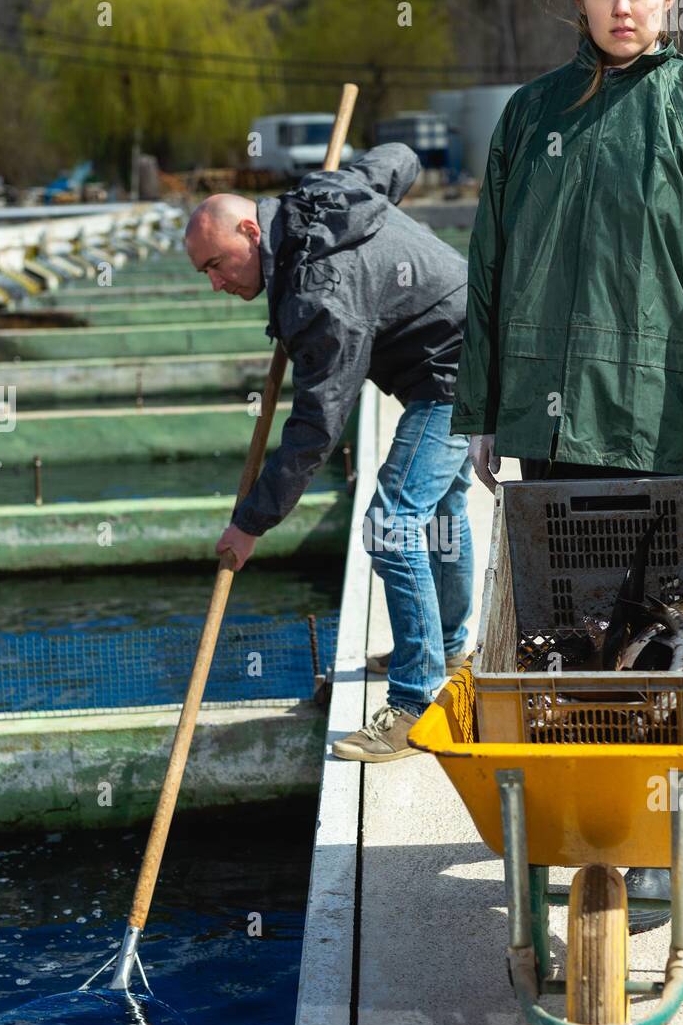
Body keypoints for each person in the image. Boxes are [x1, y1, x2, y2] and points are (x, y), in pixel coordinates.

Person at [451, 0, 683, 929]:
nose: (620, 6)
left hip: (659, 429)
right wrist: (482, 413)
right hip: (545, 432)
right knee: (561, 642)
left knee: (661, 643)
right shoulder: (532, 115)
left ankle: (647, 843)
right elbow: (488, 270)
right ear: (577, 1)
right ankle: (580, 826)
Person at [184, 144, 474, 762]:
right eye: (203, 274)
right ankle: (443, 646)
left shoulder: (319, 295)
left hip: (458, 371)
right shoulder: (320, 198)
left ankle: (417, 708)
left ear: (250, 230)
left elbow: (317, 426)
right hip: (463, 346)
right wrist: (352, 185)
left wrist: (250, 521)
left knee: (393, 525)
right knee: (440, 506)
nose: (215, 283)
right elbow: (399, 158)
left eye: (216, 264)